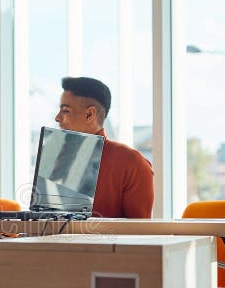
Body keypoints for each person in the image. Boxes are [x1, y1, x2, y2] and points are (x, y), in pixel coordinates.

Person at [55, 76, 154, 218]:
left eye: (65, 111)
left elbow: (140, 234)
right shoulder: (60, 159)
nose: (57, 118)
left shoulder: (132, 163)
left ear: (90, 114)